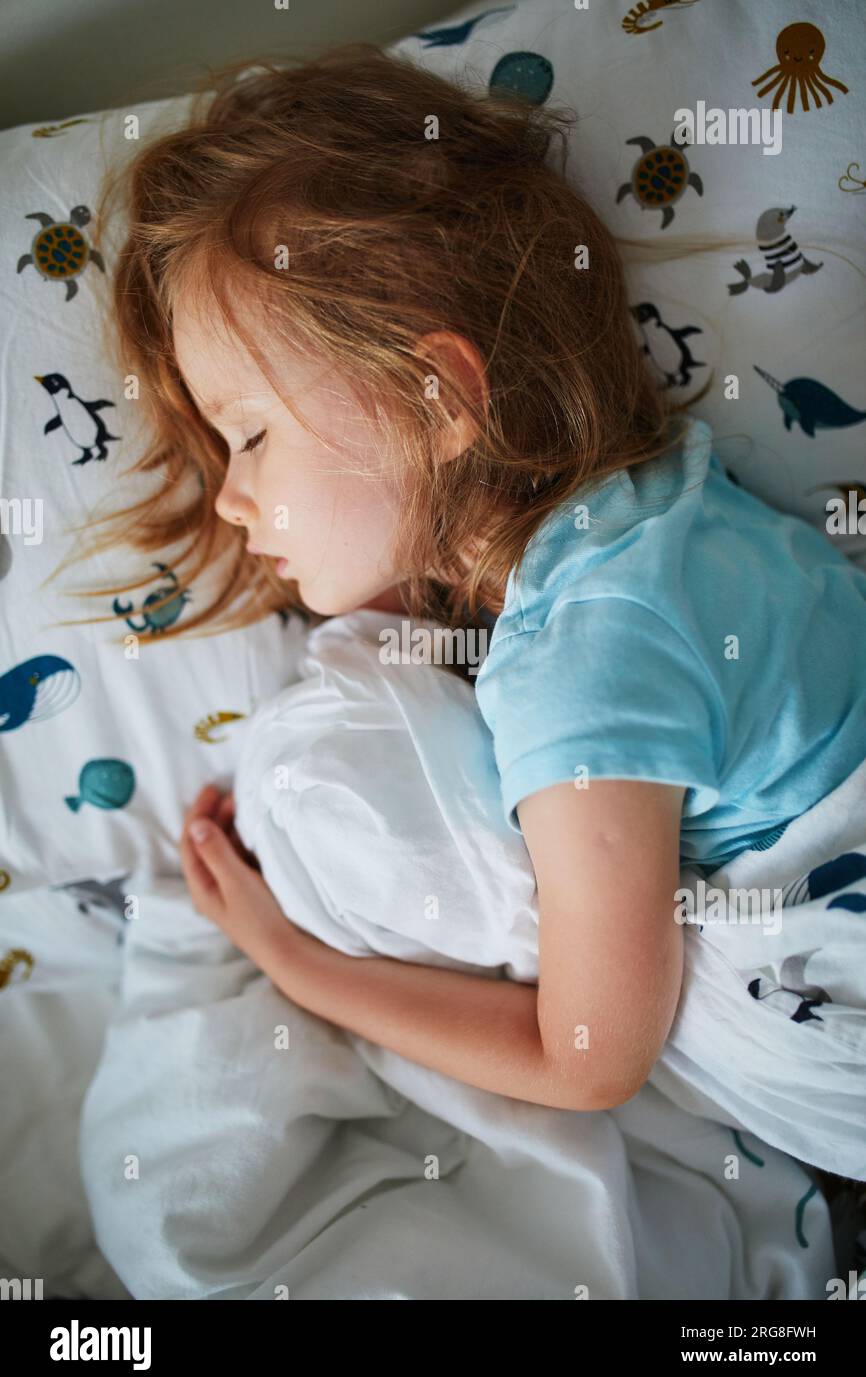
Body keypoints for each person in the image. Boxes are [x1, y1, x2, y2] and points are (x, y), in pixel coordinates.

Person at [84, 43, 866, 1113]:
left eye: (250, 434)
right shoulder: (659, 497)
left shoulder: (580, 670)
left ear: (436, 400)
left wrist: (293, 961)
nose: (227, 499)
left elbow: (586, 1058)